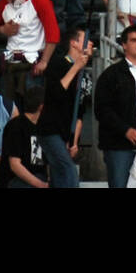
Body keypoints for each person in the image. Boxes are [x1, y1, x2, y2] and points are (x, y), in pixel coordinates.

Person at [94, 23, 136, 188]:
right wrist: (125, 130)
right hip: (118, 146)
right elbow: (102, 109)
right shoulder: (110, 75)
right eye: (134, 40)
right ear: (124, 45)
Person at [0, 0, 59, 107]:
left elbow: (53, 34)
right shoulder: (5, 3)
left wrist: (44, 61)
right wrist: (3, 29)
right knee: (7, 109)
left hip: (33, 63)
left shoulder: (39, 1)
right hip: (10, 62)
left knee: (32, 108)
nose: (9, 1)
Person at [36, 25, 90, 187]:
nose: (91, 44)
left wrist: (74, 141)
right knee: (68, 174)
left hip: (66, 133)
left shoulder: (85, 76)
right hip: (50, 129)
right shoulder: (58, 63)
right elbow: (55, 93)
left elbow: (80, 111)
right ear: (74, 43)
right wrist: (76, 67)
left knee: (60, 175)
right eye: (85, 41)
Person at [0, 85, 47, 187]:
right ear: (41, 107)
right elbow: (15, 165)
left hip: (37, 176)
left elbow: (39, 162)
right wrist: (41, 185)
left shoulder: (43, 126)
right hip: (15, 179)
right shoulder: (16, 126)